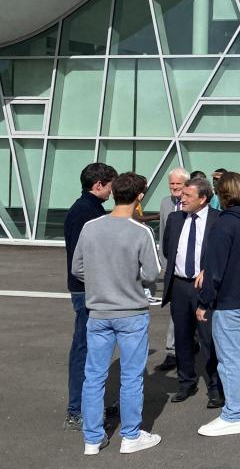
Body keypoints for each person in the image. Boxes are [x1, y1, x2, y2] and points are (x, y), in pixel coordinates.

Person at [71, 172, 162, 455]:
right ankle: (131, 435)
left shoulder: (90, 227)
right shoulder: (140, 231)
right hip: (131, 311)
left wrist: (102, 280)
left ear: (114, 192)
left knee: (94, 377)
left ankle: (92, 437)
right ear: (139, 196)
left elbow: (77, 268)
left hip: (99, 311)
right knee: (132, 377)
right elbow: (152, 273)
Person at [195, 172, 240, 437]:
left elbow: (214, 269)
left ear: (223, 195)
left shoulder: (224, 225)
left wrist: (204, 303)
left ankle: (234, 414)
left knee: (229, 359)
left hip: (230, 301)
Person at [63, 162, 117, 431]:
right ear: (99, 185)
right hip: (87, 291)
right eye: (110, 185)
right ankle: (77, 411)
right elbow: (80, 260)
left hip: (87, 289)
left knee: (91, 349)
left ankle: (87, 406)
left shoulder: (87, 208)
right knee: (84, 349)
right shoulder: (86, 212)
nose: (112, 191)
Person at [161, 177, 223, 409]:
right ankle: (186, 382)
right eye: (181, 194)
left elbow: (223, 253)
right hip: (179, 285)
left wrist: (208, 271)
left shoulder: (218, 220)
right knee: (182, 336)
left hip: (204, 287)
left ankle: (216, 386)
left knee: (209, 339)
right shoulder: (175, 219)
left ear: (203, 198)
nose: (181, 198)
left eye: (187, 195)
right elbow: (169, 249)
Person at [154, 167, 190, 371]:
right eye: (172, 184)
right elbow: (162, 233)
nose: (175, 188)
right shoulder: (166, 203)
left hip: (192, 268)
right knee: (175, 310)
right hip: (172, 266)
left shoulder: (192, 203)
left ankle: (191, 343)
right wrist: (163, 262)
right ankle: (171, 351)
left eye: (178, 184)